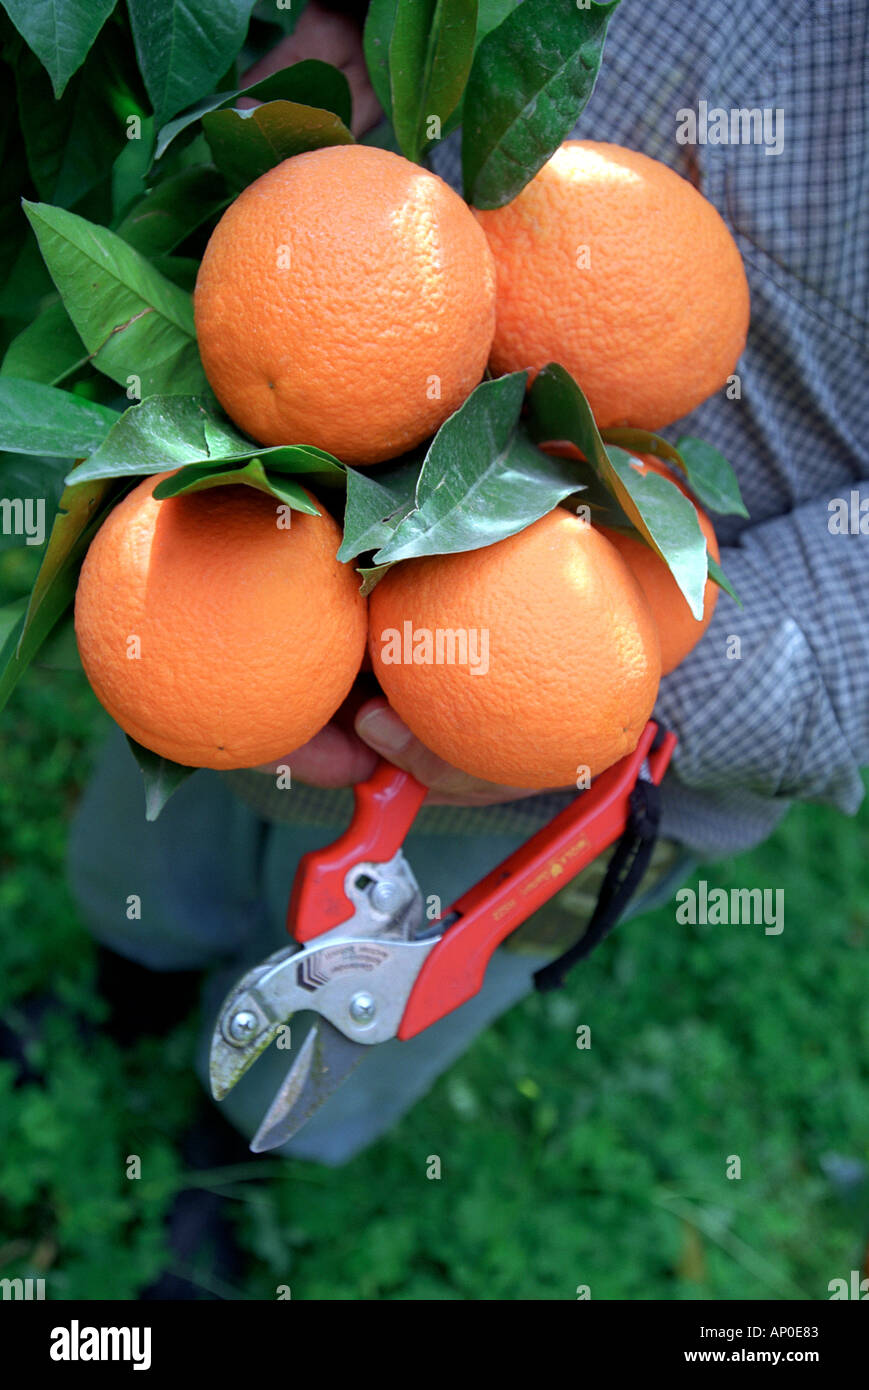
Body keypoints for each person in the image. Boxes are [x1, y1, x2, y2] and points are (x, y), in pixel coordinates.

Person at [69, 0, 869, 1163]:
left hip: (571, 712)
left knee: (363, 1005)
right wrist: (343, 44)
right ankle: (123, 987)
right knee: (160, 823)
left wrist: (617, 687)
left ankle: (225, 1162)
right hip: (250, 528)